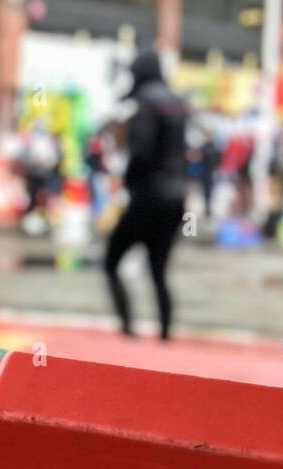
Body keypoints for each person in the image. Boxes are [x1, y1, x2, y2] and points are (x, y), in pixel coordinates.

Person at [104, 50, 188, 340]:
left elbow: (142, 152)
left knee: (112, 259)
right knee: (159, 270)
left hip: (149, 197)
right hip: (176, 198)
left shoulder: (145, 103)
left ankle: (127, 327)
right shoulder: (178, 102)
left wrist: (128, 181)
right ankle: (165, 333)